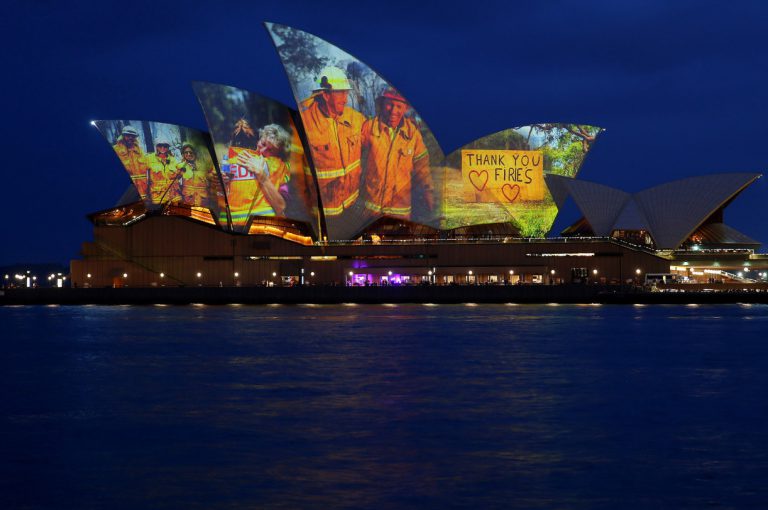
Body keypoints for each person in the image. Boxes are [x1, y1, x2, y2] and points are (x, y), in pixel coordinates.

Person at [299, 66, 365, 235]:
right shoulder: (304, 124)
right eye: (341, 93)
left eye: (346, 92)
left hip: (352, 207)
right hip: (322, 216)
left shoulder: (355, 119)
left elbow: (376, 139)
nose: (345, 98)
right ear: (326, 95)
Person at [361, 87, 433, 221]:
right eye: (389, 104)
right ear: (382, 104)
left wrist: (428, 194)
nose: (393, 111)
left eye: (399, 106)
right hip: (371, 212)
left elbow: (423, 169)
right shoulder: (369, 127)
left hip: (400, 213)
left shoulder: (413, 135)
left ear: (405, 108)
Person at [225, 120, 290, 230]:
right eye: (263, 144)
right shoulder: (230, 159)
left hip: (266, 227)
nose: (263, 150)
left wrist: (262, 175)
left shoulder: (278, 167)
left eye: (270, 150)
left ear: (277, 154)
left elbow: (281, 206)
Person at [112, 125, 148, 201]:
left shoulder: (139, 150)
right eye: (128, 135)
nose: (131, 138)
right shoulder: (115, 149)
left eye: (133, 136)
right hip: (125, 189)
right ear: (123, 136)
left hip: (141, 189)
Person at [146, 137, 180, 204]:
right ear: (157, 146)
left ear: (168, 147)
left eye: (165, 146)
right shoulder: (149, 158)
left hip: (173, 195)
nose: (162, 147)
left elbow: (180, 175)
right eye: (160, 145)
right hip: (157, 195)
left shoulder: (173, 160)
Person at [177, 142, 208, 206]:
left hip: (202, 201)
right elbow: (174, 182)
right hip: (187, 200)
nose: (188, 154)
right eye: (186, 152)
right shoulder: (180, 166)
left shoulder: (204, 166)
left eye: (191, 152)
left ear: (195, 153)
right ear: (183, 154)